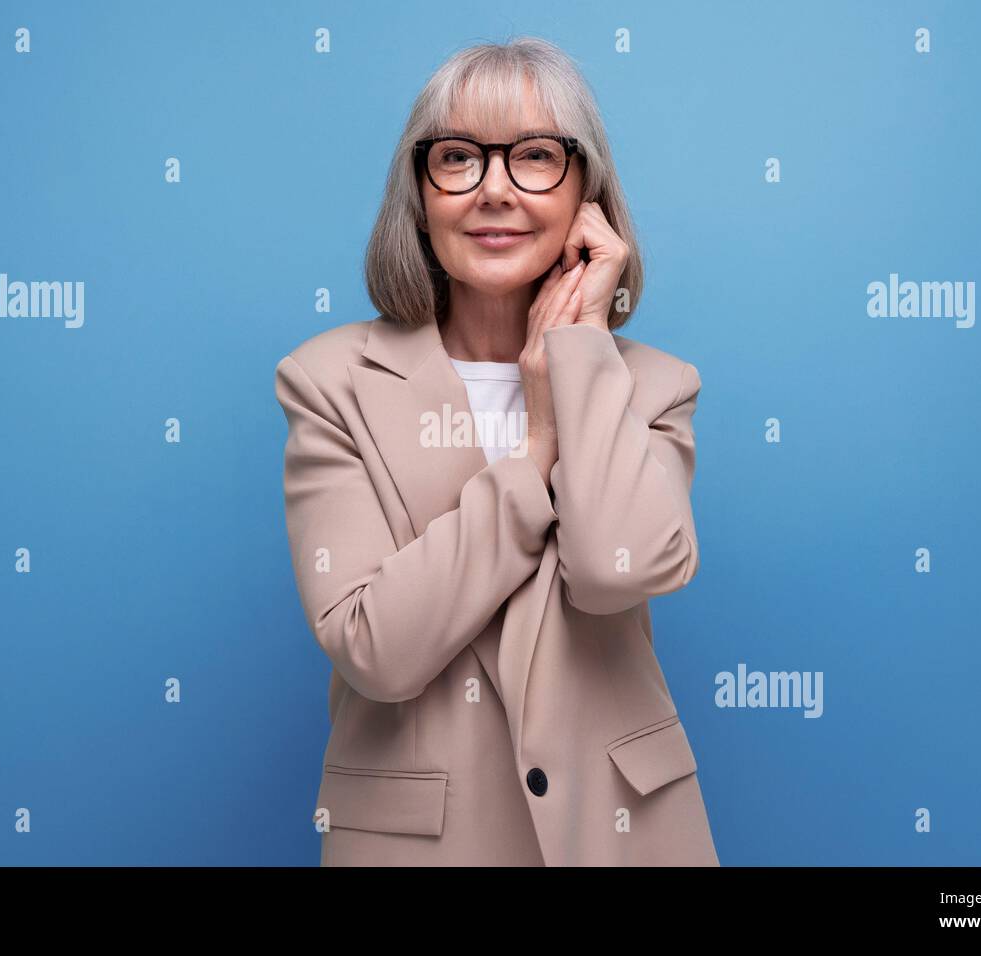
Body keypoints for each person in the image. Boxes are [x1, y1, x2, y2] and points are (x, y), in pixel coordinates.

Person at [275, 36, 718, 866]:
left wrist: (579, 358)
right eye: (457, 159)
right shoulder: (328, 381)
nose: (495, 191)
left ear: (589, 196)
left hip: (621, 833)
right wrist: (539, 441)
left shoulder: (655, 385)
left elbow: (618, 568)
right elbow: (376, 647)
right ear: (420, 193)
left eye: (537, 157)